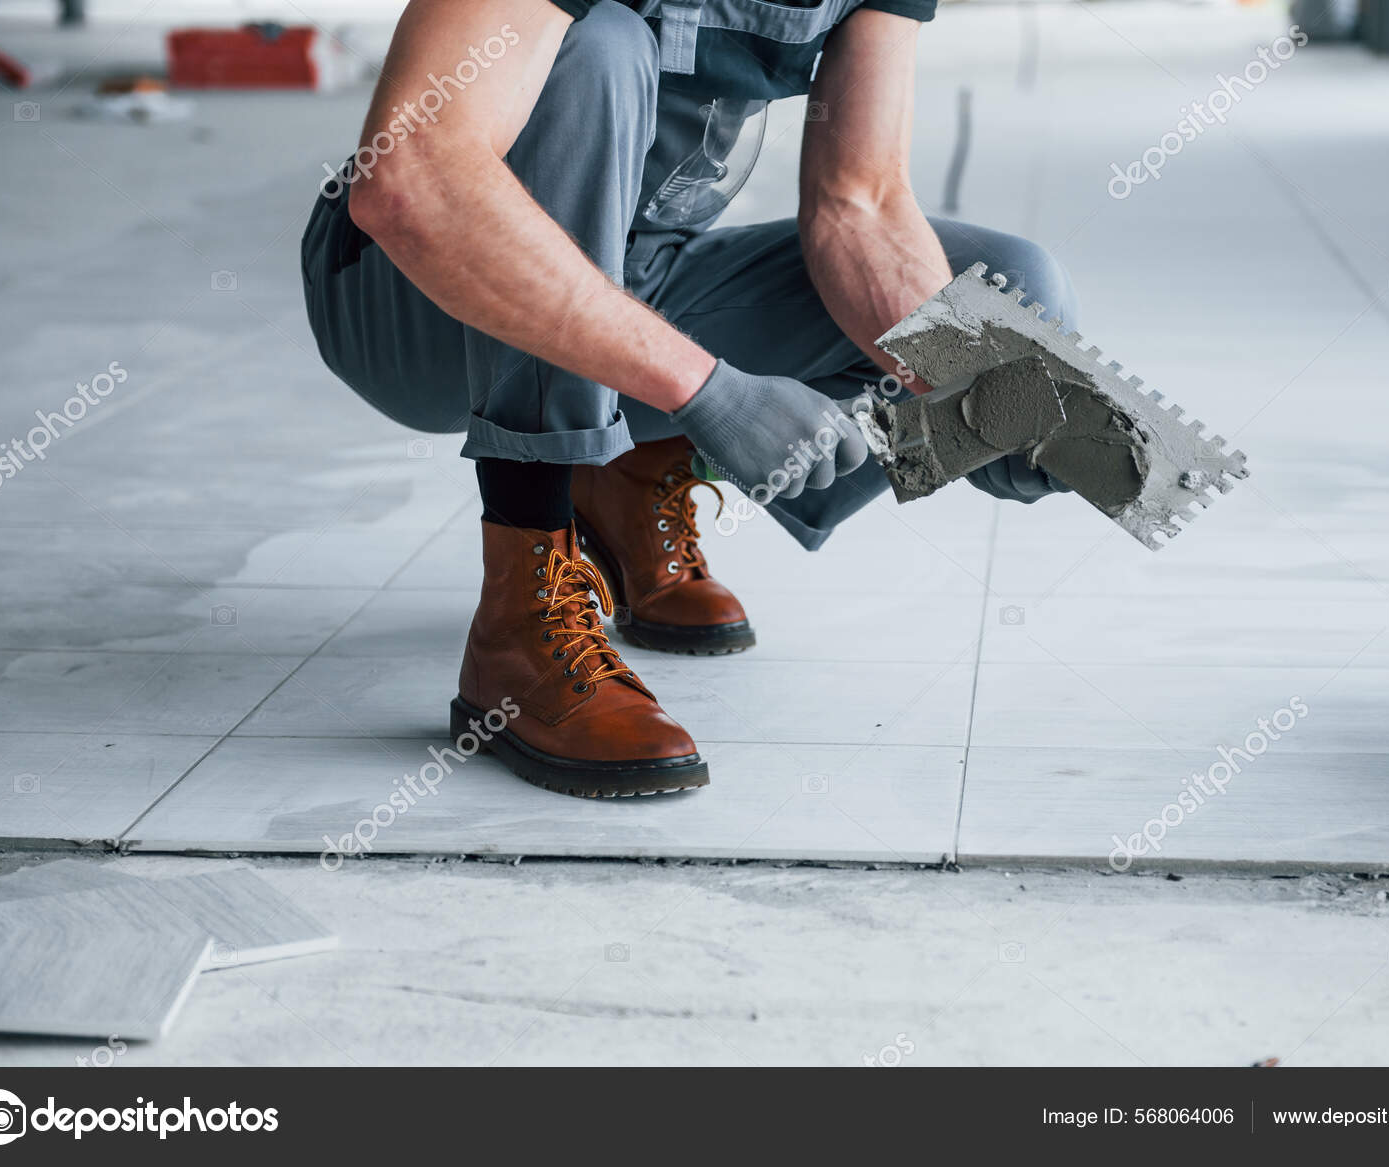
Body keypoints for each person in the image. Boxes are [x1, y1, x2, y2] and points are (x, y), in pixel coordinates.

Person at [301, 0, 1077, 797]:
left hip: (645, 280)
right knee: (604, 45)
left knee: (1005, 305)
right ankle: (518, 618)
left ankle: (624, 477)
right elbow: (413, 182)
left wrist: (972, 393)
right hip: (414, 303)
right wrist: (708, 390)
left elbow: (862, 204)